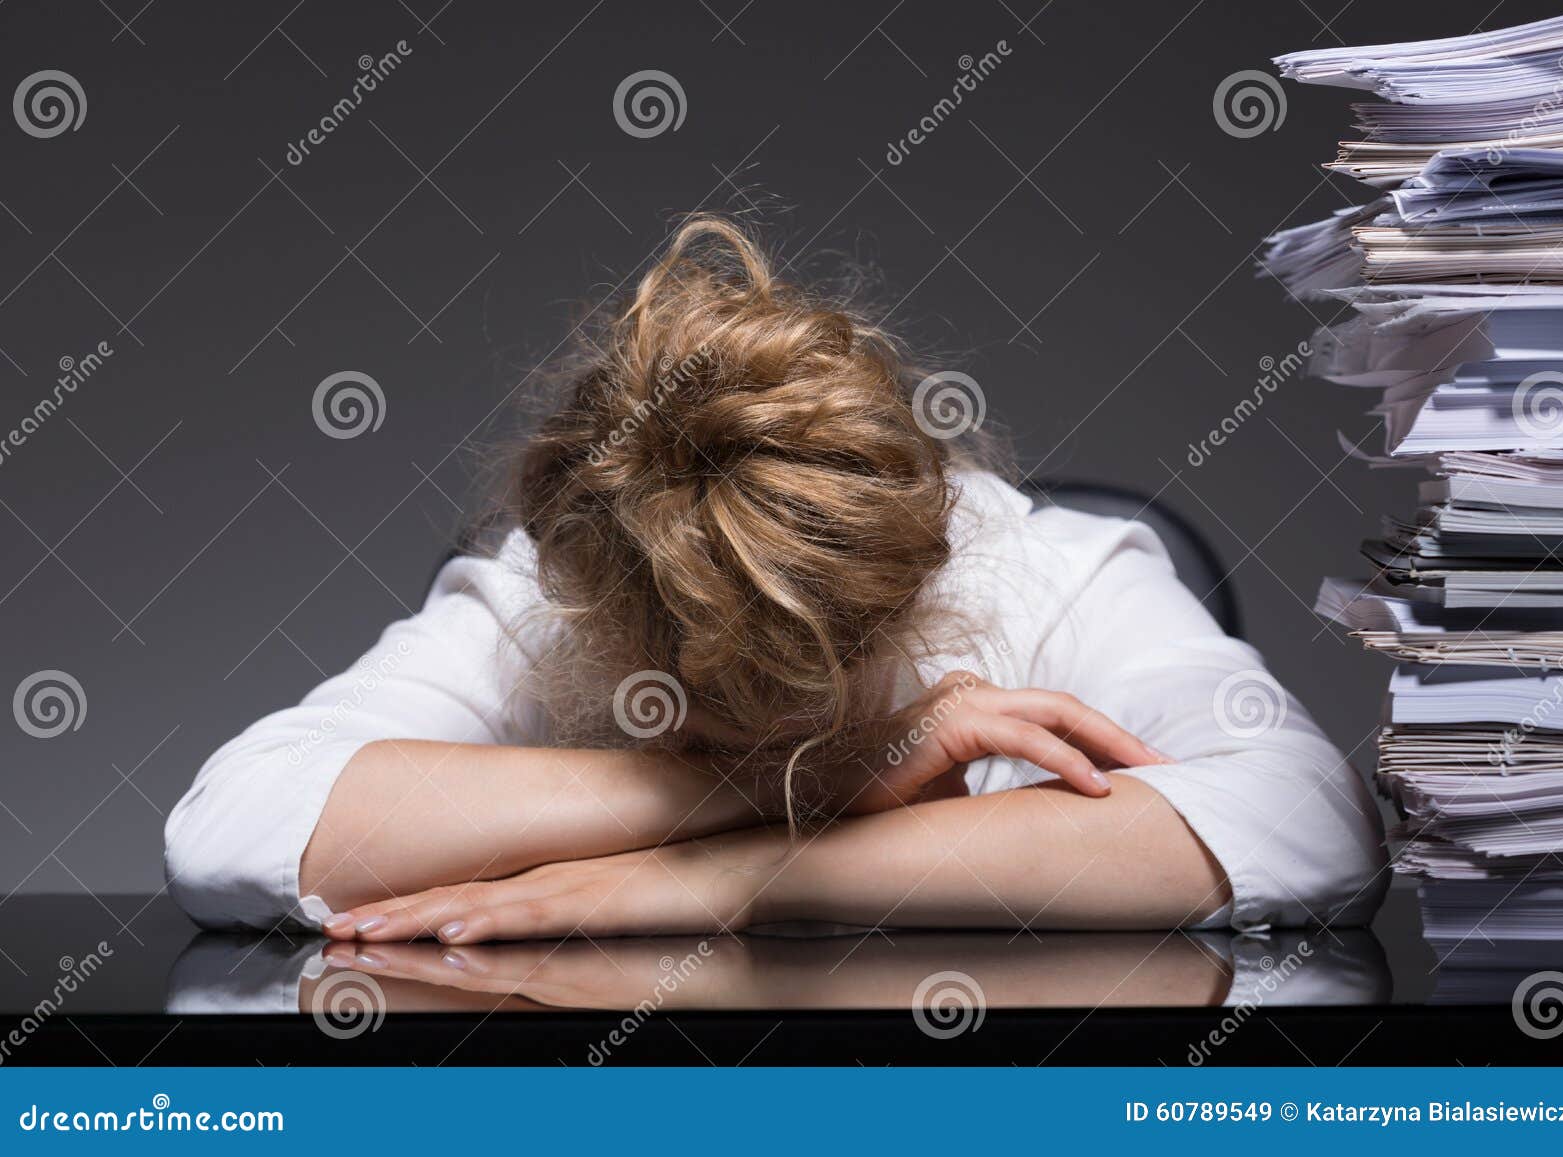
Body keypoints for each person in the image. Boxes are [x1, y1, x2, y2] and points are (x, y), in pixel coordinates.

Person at [164, 216, 1387, 942]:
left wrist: (734, 876)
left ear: (921, 581)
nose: (733, 724)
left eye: (796, 694)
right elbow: (237, 823)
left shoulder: (1047, 569)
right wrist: (826, 774)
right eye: (692, 703)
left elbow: (1309, 821)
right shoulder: (547, 593)